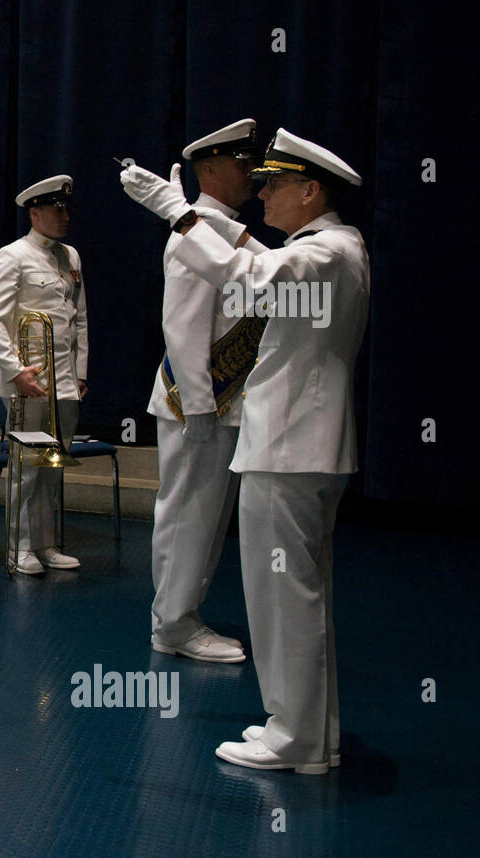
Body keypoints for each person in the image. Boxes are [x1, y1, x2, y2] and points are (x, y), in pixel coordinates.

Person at [121, 127, 369, 773]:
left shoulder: (320, 254)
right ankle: (311, 733)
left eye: (276, 184)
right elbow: (255, 255)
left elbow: (251, 272)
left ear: (310, 190)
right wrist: (198, 219)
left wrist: (178, 213)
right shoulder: (330, 246)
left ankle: (298, 739)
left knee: (286, 596)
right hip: (298, 444)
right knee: (294, 596)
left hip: (288, 447)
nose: (262, 195)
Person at [146, 119, 261, 665]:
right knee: (191, 512)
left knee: (205, 514)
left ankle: (178, 613)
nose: (252, 173)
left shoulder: (217, 229)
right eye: (242, 164)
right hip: (199, 402)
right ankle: (174, 624)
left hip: (220, 400)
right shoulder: (196, 235)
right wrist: (199, 410)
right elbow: (185, 330)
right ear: (210, 170)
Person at [0, 174, 88, 573]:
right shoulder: (12, 255)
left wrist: (80, 373)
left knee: (52, 467)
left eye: (66, 208)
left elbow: (80, 320)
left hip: (63, 381)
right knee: (26, 469)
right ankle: (19, 547)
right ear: (35, 212)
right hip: (27, 381)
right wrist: (14, 371)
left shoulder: (71, 257)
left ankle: (46, 544)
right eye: (56, 209)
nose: (65, 216)